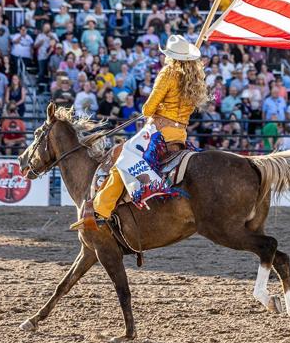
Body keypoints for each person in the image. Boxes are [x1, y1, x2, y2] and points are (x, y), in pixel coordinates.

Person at [74, 35, 208, 230]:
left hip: (159, 133)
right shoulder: (193, 80)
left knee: (122, 162)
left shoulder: (168, 73)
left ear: (170, 55)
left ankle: (100, 211)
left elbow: (147, 109)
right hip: (180, 135)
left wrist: (152, 108)